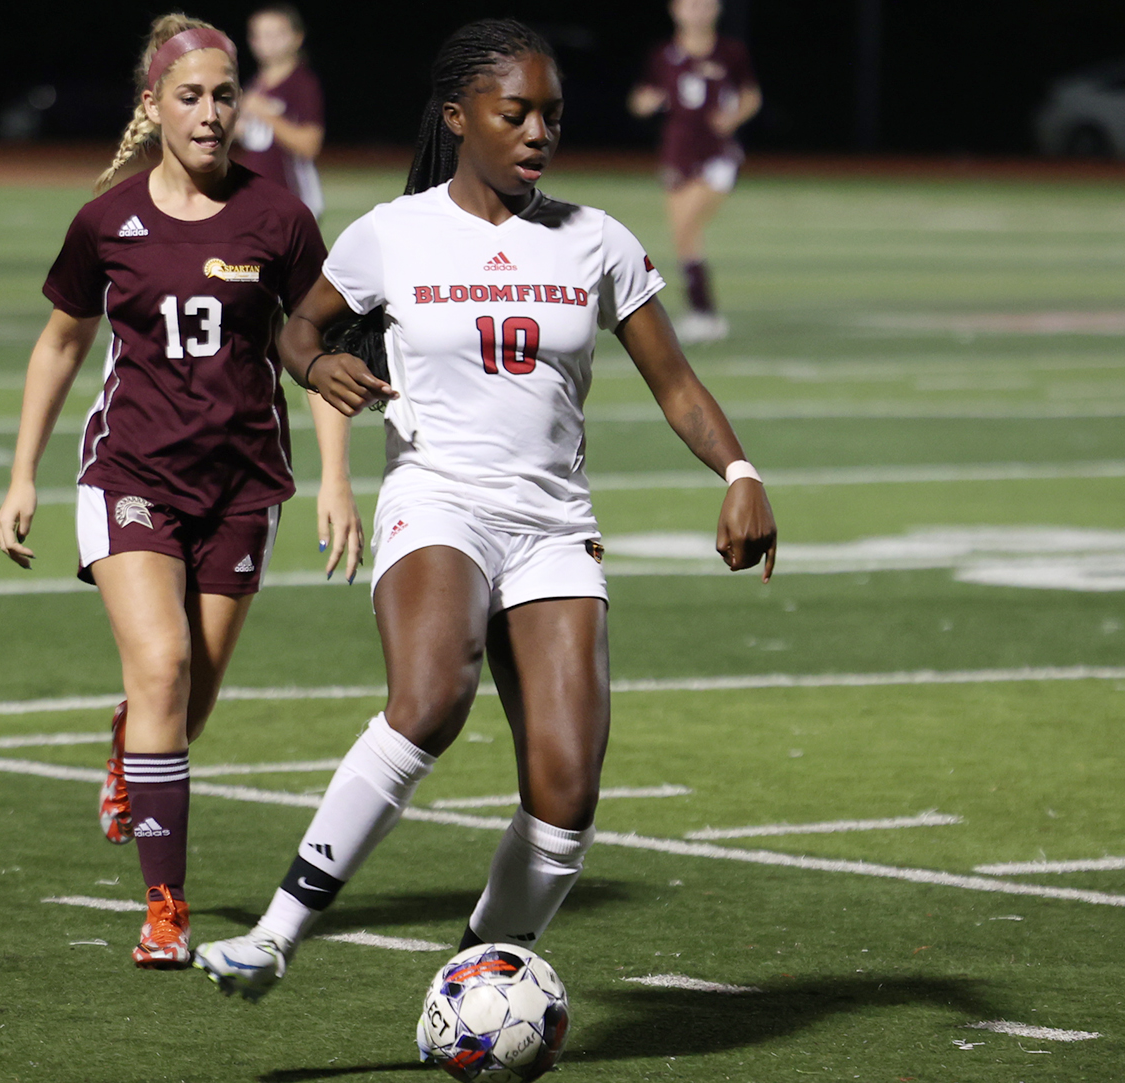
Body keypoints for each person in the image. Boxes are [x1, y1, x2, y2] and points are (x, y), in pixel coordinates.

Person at [195, 18, 777, 1000]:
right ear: (460, 117)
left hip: (551, 526)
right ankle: (276, 932)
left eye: (551, 114)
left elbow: (674, 383)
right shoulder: (394, 231)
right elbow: (295, 328)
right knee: (428, 700)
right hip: (438, 501)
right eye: (516, 114)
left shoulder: (596, 240)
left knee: (565, 793)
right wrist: (320, 363)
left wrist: (738, 474)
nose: (539, 132)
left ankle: (476, 977)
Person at [0, 12, 361, 970]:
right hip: (132, 473)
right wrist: (22, 473)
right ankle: (166, 907)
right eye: (189, 97)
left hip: (243, 483)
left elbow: (314, 349)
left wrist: (334, 477)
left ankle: (130, 748)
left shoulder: (277, 215)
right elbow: (61, 344)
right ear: (152, 104)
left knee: (186, 699)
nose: (209, 114)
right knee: (159, 667)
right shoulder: (105, 220)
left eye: (223, 96)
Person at [628, 0, 760, 343]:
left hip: (717, 154)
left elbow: (750, 96)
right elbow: (643, 97)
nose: (697, 11)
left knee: (688, 226)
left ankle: (704, 313)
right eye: (691, 5)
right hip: (678, 152)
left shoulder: (730, 52)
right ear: (675, 10)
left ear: (716, 10)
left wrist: (732, 118)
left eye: (704, 5)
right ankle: (703, 313)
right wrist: (645, 102)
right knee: (683, 238)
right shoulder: (663, 54)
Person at [231, 2, 325, 217]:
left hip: (293, 199)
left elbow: (309, 145)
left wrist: (266, 115)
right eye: (261, 35)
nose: (268, 42)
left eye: (277, 34)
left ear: (297, 37)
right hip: (257, 198)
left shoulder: (302, 84)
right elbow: (254, 140)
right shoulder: (255, 84)